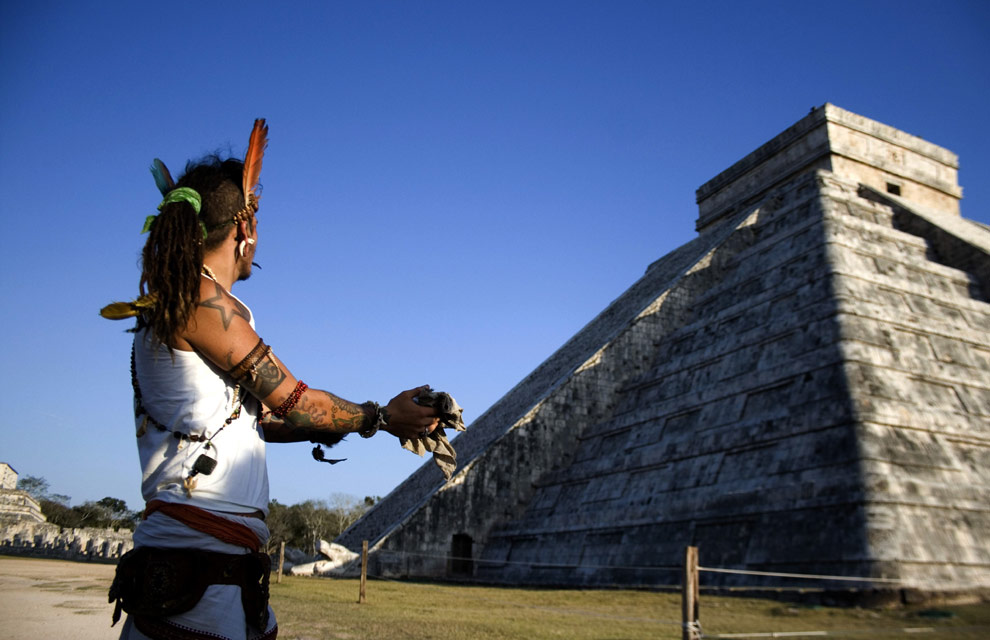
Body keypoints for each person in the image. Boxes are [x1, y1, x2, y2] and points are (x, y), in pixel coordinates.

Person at [103, 120, 439, 640]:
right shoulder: (200, 301)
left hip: (217, 574)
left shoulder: (197, 302)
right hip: (197, 577)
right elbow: (294, 399)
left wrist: (332, 425)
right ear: (244, 229)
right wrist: (381, 416)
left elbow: (261, 420)